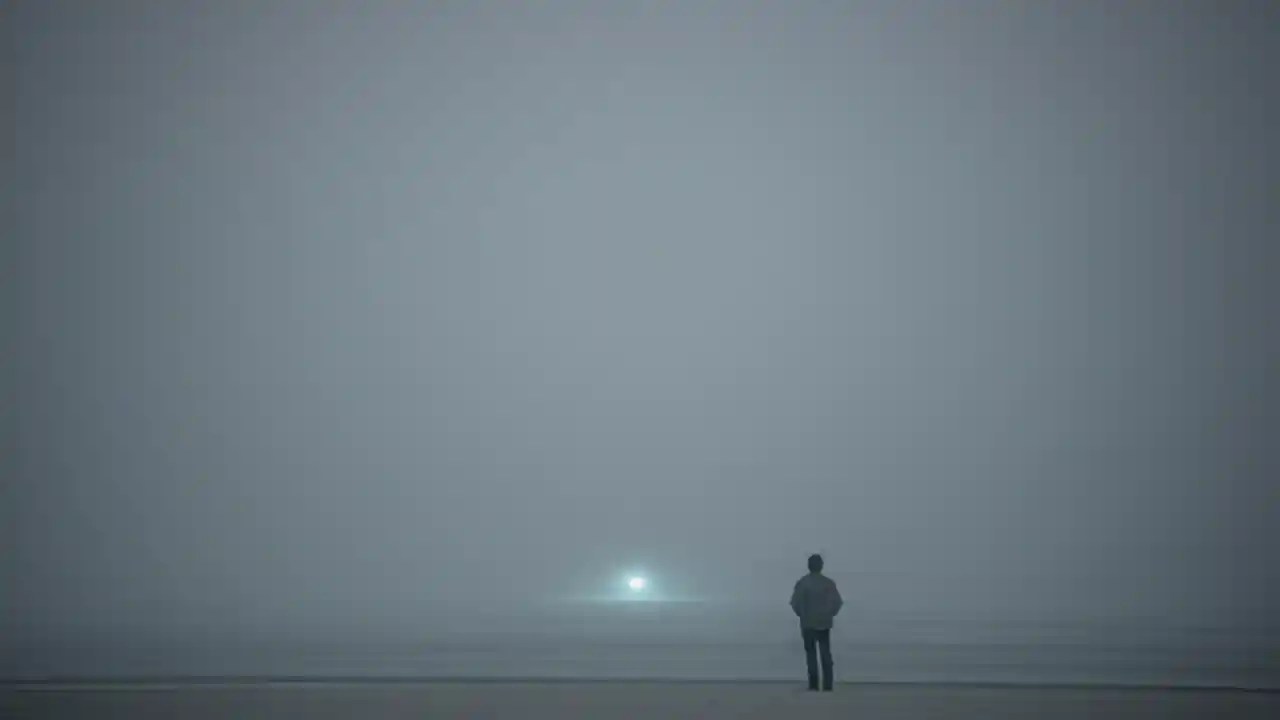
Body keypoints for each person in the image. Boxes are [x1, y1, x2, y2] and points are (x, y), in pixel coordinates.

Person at [790, 553, 843, 691]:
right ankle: (827, 685)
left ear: (809, 566)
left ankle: (813, 685)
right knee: (826, 654)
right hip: (824, 623)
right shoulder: (828, 583)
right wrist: (830, 614)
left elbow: (795, 603)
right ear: (821, 566)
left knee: (811, 655)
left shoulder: (803, 583)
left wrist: (802, 614)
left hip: (808, 623)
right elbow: (837, 602)